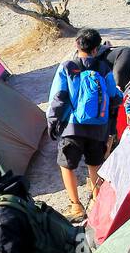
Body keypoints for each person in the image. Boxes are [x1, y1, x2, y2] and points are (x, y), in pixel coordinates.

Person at [46, 28, 123, 222]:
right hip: (98, 126)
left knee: (67, 166)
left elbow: (59, 97)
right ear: (97, 49)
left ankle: (76, 206)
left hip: (72, 126)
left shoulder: (67, 66)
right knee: (94, 164)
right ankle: (97, 203)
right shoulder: (104, 68)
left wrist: (53, 121)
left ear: (77, 45)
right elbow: (114, 97)